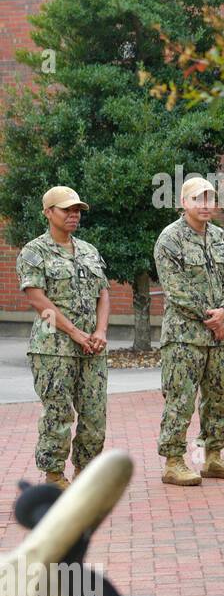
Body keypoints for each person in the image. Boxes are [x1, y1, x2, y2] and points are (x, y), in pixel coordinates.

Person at [153, 176, 224, 486]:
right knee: (180, 398)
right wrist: (213, 317)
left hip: (218, 337)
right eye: (198, 199)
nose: (205, 205)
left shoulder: (221, 237)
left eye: (210, 199)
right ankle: (173, 461)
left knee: (220, 398)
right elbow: (175, 290)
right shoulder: (170, 239)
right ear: (184, 203)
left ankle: (214, 456)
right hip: (184, 336)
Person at [17, 186, 110, 489]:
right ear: (48, 212)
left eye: (77, 211)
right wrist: (75, 332)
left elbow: (103, 294)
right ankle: (54, 476)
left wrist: (99, 332)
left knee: (95, 415)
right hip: (52, 348)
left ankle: (86, 473)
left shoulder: (88, 250)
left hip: (91, 347)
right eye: (66, 210)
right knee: (58, 414)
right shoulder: (34, 251)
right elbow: (36, 299)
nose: (74, 215)